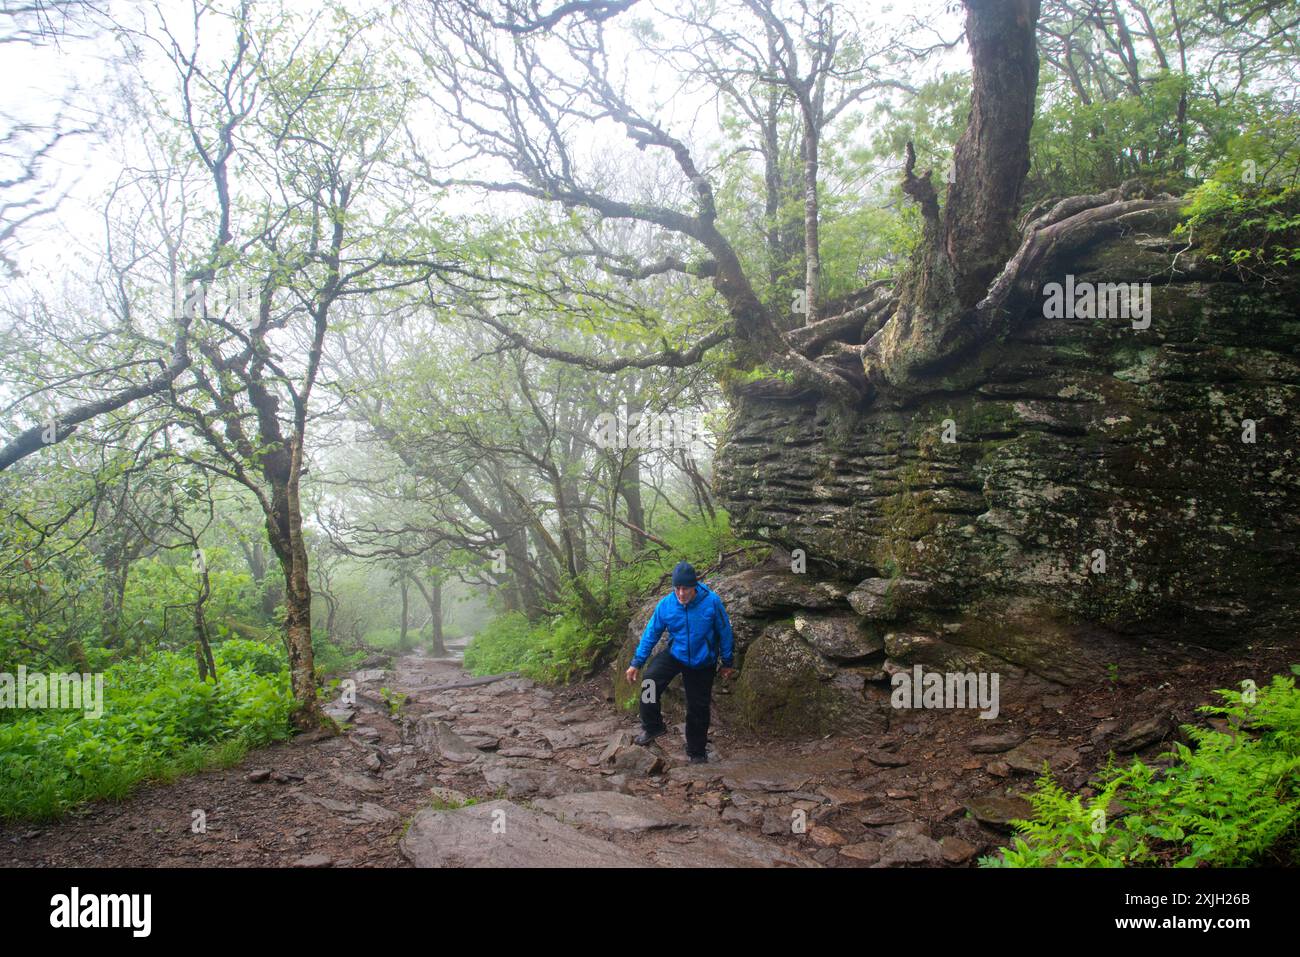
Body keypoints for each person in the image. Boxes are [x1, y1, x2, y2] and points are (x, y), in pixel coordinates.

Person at [624, 560, 736, 764]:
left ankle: (697, 751)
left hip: (703, 660)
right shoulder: (666, 605)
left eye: (686, 588)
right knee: (649, 681)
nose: (681, 593)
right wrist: (636, 662)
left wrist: (727, 662)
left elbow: (725, 632)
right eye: (677, 588)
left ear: (695, 586)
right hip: (677, 654)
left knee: (697, 706)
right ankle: (653, 726)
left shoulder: (711, 602)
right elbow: (651, 633)